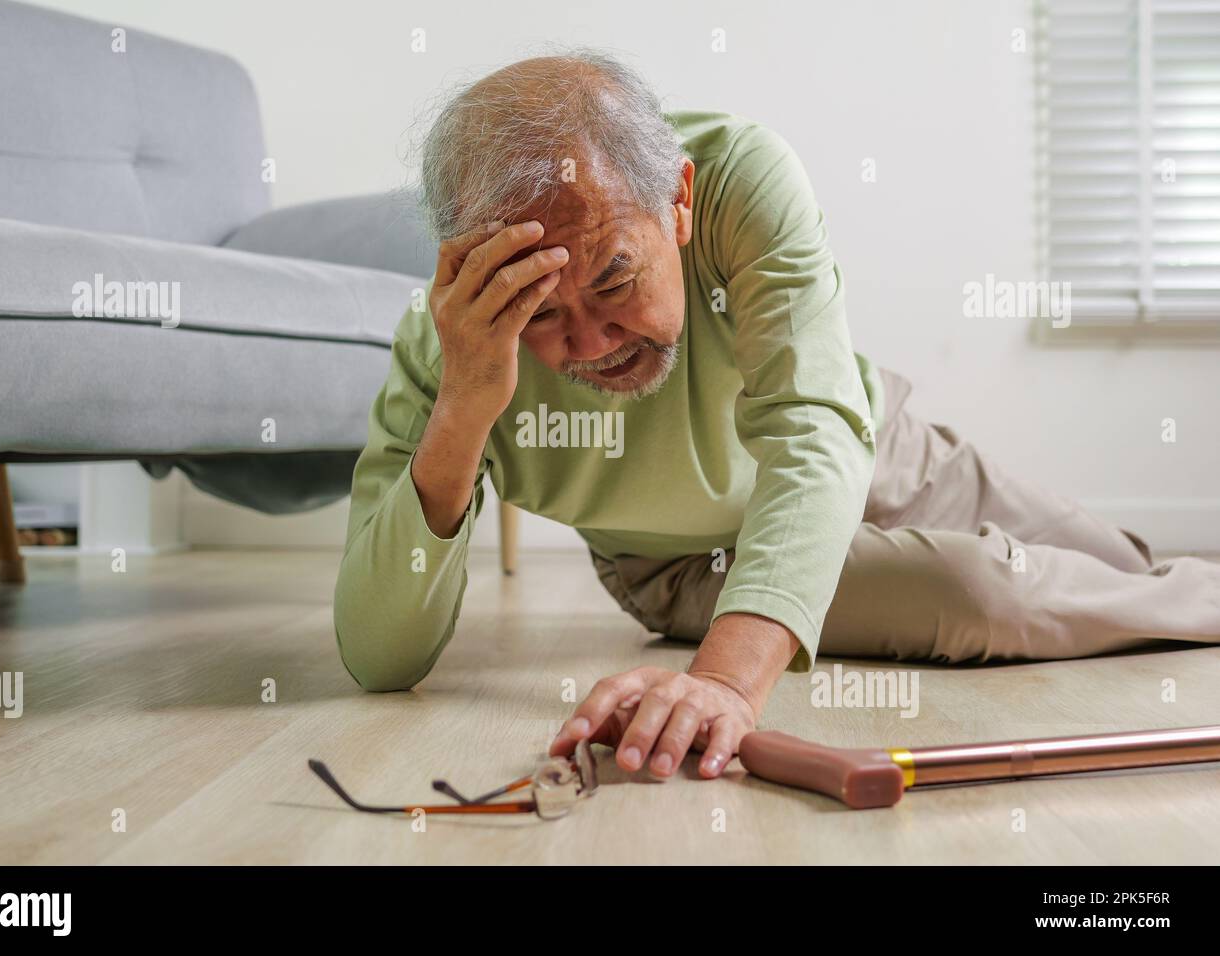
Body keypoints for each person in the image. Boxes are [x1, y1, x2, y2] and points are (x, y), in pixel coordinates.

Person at [334, 49, 1220, 780]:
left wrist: (724, 678)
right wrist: (466, 407)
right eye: (542, 315)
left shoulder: (739, 179)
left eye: (614, 281)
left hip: (882, 455)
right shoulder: (454, 341)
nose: (592, 342)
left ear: (679, 202)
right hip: (687, 558)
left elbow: (814, 426)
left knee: (1119, 562)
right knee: (987, 591)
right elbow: (380, 657)